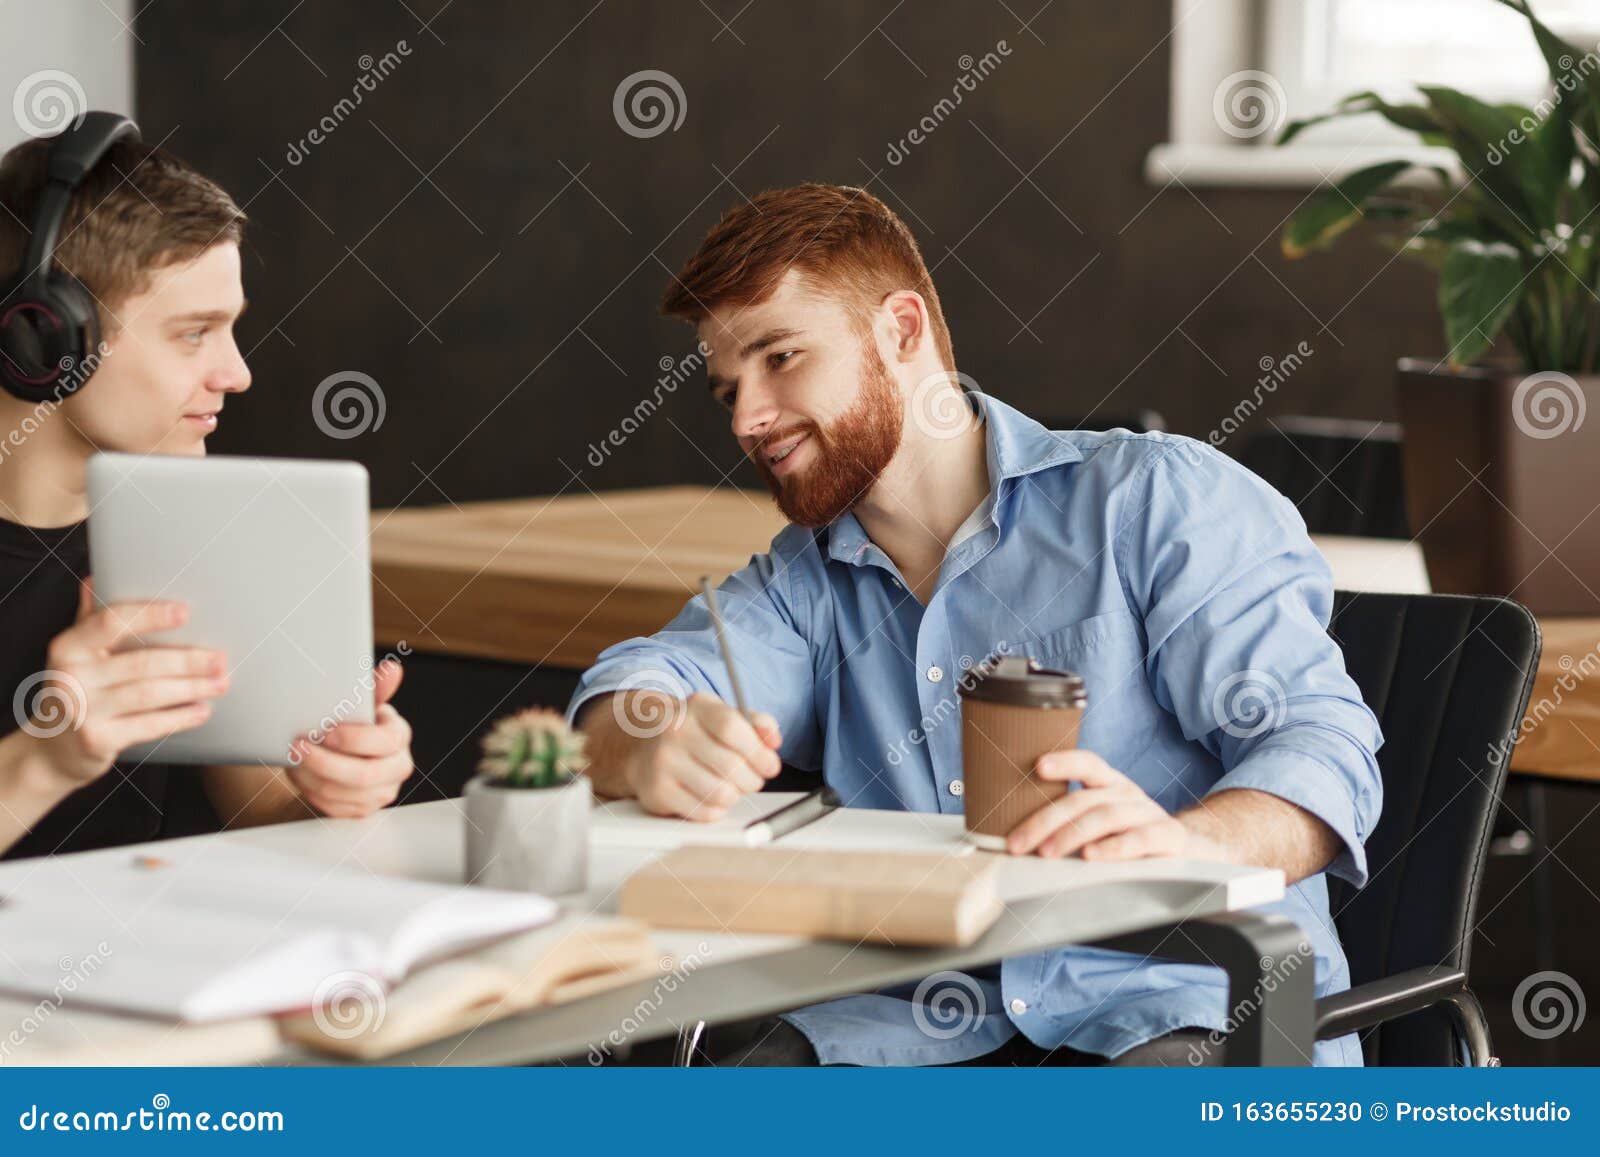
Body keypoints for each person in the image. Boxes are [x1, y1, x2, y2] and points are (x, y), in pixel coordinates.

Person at [569, 183, 1383, 1066]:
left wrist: (1188, 844)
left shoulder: (1152, 500)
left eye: (781, 357)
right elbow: (636, 687)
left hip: (1186, 1004)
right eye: (729, 388)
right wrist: (649, 741)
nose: (747, 418)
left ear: (902, 329)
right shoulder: (805, 582)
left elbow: (1323, 748)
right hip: (910, 1032)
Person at [0, 123, 414, 860]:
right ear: (44, 338)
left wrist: (328, 789)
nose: (237, 374)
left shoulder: (189, 528)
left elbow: (260, 808)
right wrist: (44, 761)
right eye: (194, 333)